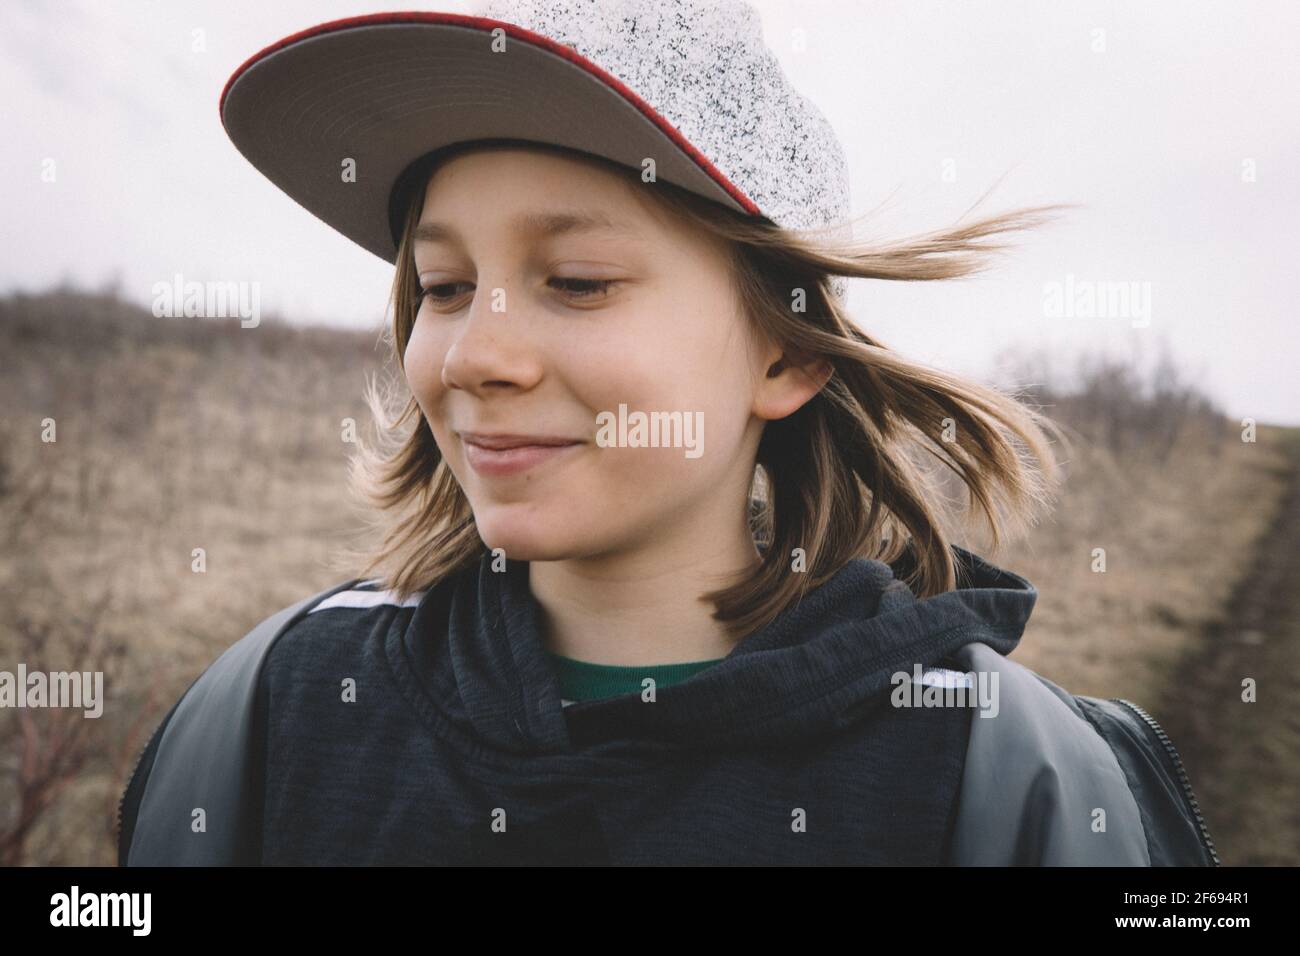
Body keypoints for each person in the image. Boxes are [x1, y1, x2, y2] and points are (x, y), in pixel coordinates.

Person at [118, 0, 1218, 866]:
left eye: (579, 280)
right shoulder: (267, 708)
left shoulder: (1005, 776)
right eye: (444, 285)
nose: (471, 355)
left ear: (786, 354)